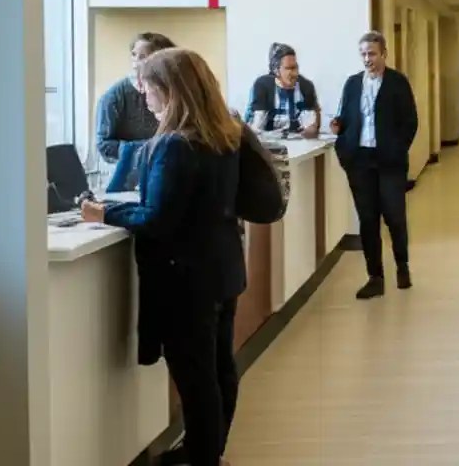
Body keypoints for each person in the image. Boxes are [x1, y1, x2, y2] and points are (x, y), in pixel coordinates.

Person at [80, 48, 277, 466]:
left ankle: (203, 457)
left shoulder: (174, 145)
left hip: (186, 281)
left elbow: (157, 219)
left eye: (149, 88)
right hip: (223, 269)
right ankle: (210, 450)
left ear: (170, 91)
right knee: (219, 368)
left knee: (196, 377)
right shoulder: (224, 137)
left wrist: (104, 213)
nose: (144, 96)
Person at [331, 31, 419, 298]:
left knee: (394, 216)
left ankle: (402, 265)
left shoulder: (397, 83)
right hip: (360, 160)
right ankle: (375, 277)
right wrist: (340, 131)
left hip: (389, 161)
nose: (367, 59)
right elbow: (346, 116)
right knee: (368, 220)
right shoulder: (352, 84)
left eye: (371, 53)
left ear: (384, 54)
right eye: (363, 54)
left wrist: (397, 148)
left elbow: (410, 121)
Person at [95, 32, 176, 190]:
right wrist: (151, 149)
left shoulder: (173, 95)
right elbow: (103, 144)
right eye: (134, 55)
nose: (136, 63)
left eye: (144, 57)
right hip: (126, 180)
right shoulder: (113, 98)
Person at [244, 42, 321, 137]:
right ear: (276, 70)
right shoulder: (263, 85)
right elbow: (257, 126)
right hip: (268, 141)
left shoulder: (305, 86)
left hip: (298, 141)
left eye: (295, 68)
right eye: (289, 68)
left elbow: (310, 124)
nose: (294, 73)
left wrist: (311, 129)